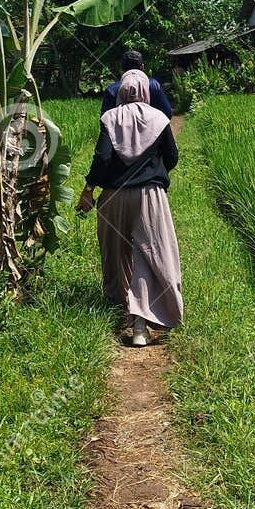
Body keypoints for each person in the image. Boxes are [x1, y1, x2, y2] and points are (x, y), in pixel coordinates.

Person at [78, 68, 183, 347]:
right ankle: (141, 324)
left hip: (113, 196)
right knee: (150, 254)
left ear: (121, 91)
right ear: (147, 92)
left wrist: (89, 189)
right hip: (150, 196)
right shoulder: (160, 119)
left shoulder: (109, 118)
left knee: (116, 253)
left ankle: (120, 306)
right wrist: (153, 170)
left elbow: (102, 158)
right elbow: (171, 156)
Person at [102, 47, 173, 118]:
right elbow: (167, 113)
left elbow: (105, 120)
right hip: (153, 128)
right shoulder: (154, 85)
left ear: (122, 68)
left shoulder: (112, 89)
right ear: (142, 67)